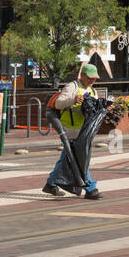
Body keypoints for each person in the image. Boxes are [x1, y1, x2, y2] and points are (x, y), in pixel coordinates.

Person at [43, 63, 104, 199]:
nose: (92, 81)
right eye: (90, 78)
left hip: (83, 131)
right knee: (79, 159)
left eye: (94, 78)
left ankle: (51, 184)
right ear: (82, 75)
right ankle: (90, 188)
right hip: (69, 130)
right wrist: (73, 99)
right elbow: (59, 103)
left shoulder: (93, 91)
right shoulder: (72, 87)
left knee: (67, 157)